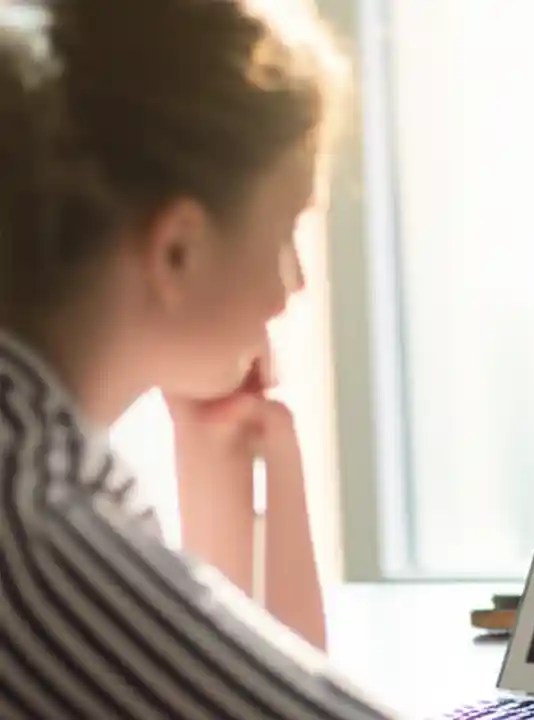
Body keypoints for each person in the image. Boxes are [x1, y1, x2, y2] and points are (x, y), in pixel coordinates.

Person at [0, 0, 397, 717]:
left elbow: (210, 681)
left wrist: (221, 465)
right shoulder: (33, 521)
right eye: (284, 232)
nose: (293, 285)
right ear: (177, 250)